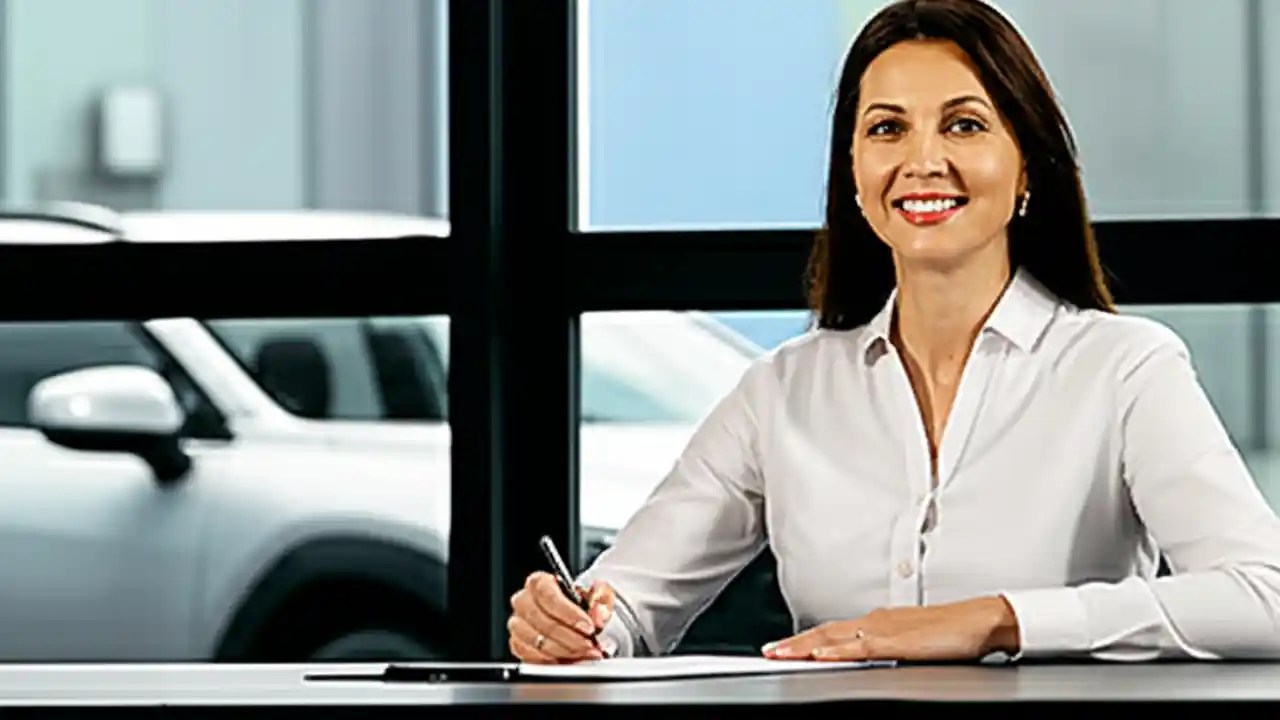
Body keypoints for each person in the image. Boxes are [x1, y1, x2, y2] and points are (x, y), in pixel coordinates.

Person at [506, 0, 1280, 664]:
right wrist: (574, 628)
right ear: (853, 170)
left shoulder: (1124, 368)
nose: (922, 160)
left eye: (965, 124)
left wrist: (996, 619)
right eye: (886, 129)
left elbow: (1264, 596)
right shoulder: (784, 390)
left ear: (1027, 168)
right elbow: (629, 607)